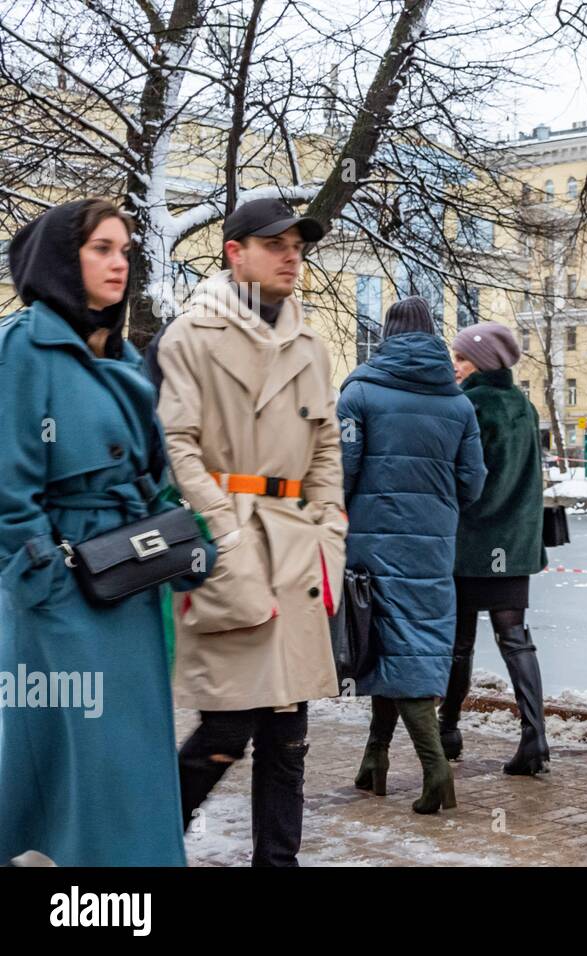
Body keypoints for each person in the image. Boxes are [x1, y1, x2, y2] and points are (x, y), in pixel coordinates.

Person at [0, 199, 214, 866]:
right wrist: (49, 589)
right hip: (68, 599)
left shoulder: (119, 353)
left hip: (131, 585)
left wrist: (185, 541)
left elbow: (153, 476)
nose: (119, 262)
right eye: (100, 248)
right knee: (102, 770)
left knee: (118, 764)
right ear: (63, 260)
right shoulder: (23, 346)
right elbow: (9, 493)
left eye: (124, 249)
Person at [157, 197, 346, 867]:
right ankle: (144, 847)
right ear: (234, 253)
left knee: (289, 731)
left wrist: (330, 530)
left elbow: (326, 449)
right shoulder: (191, 335)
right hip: (230, 539)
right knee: (228, 725)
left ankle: (278, 862)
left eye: (297, 244)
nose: (292, 254)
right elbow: (177, 447)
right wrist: (224, 538)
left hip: (296, 543)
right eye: (274, 244)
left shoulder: (310, 343)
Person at [340, 297, 486, 814]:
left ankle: (435, 771)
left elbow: (341, 473)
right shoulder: (458, 402)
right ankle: (374, 760)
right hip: (434, 544)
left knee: (391, 642)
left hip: (371, 544)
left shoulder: (359, 393)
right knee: (403, 646)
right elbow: (473, 482)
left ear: (387, 336)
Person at [439, 321, 550, 776]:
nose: (455, 365)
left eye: (462, 358)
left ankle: (448, 729)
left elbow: (459, 479)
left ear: (482, 362)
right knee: (516, 640)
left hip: (469, 544)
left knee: (459, 643)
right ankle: (535, 738)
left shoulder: (466, 405)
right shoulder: (525, 407)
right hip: (514, 547)